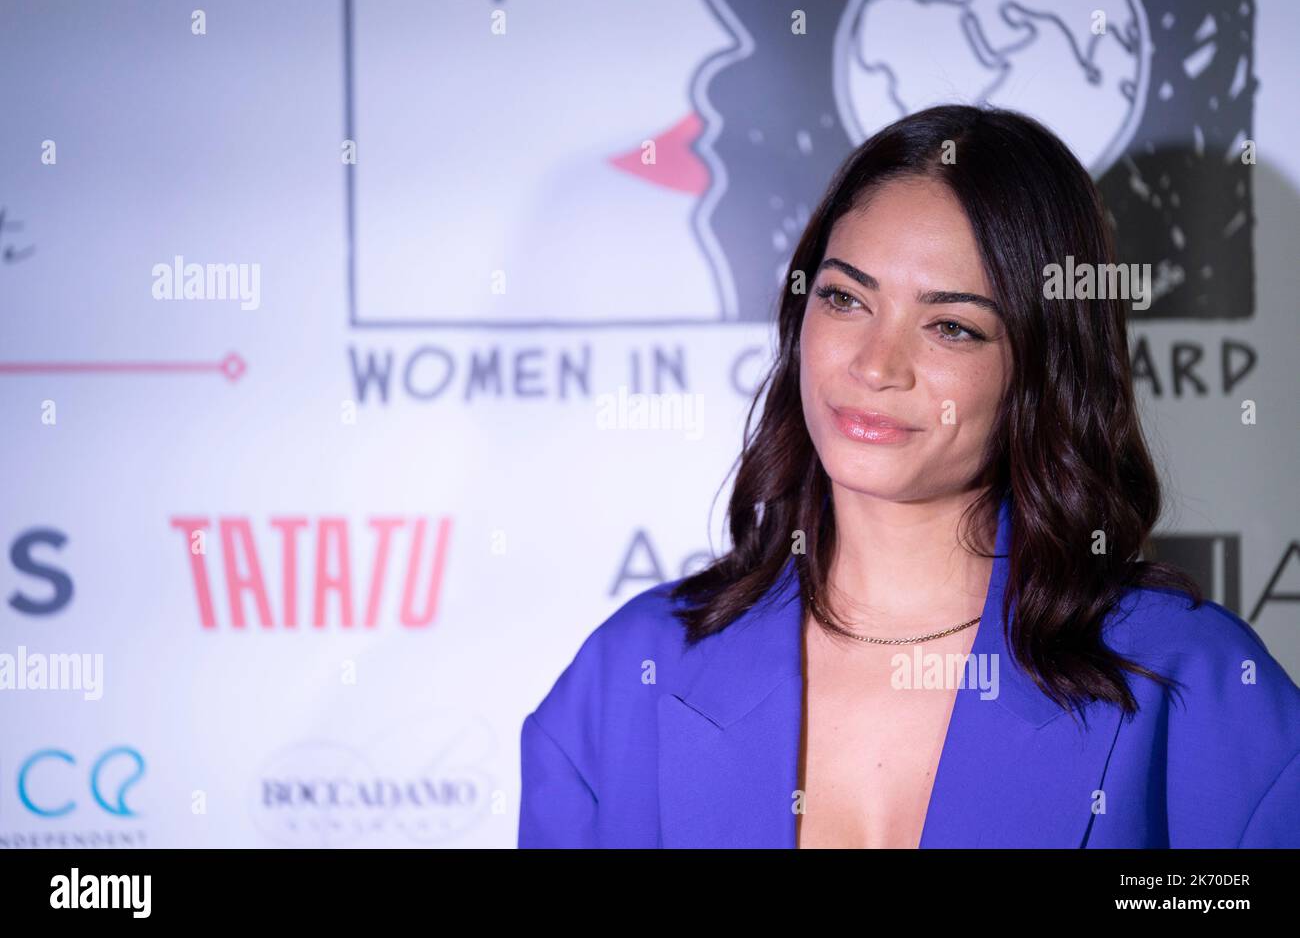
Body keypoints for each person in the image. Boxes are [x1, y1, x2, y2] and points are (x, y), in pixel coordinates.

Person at [517, 104, 1300, 848]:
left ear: (1044, 369)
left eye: (950, 326)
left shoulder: (1190, 681)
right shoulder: (626, 679)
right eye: (845, 298)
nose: (875, 365)